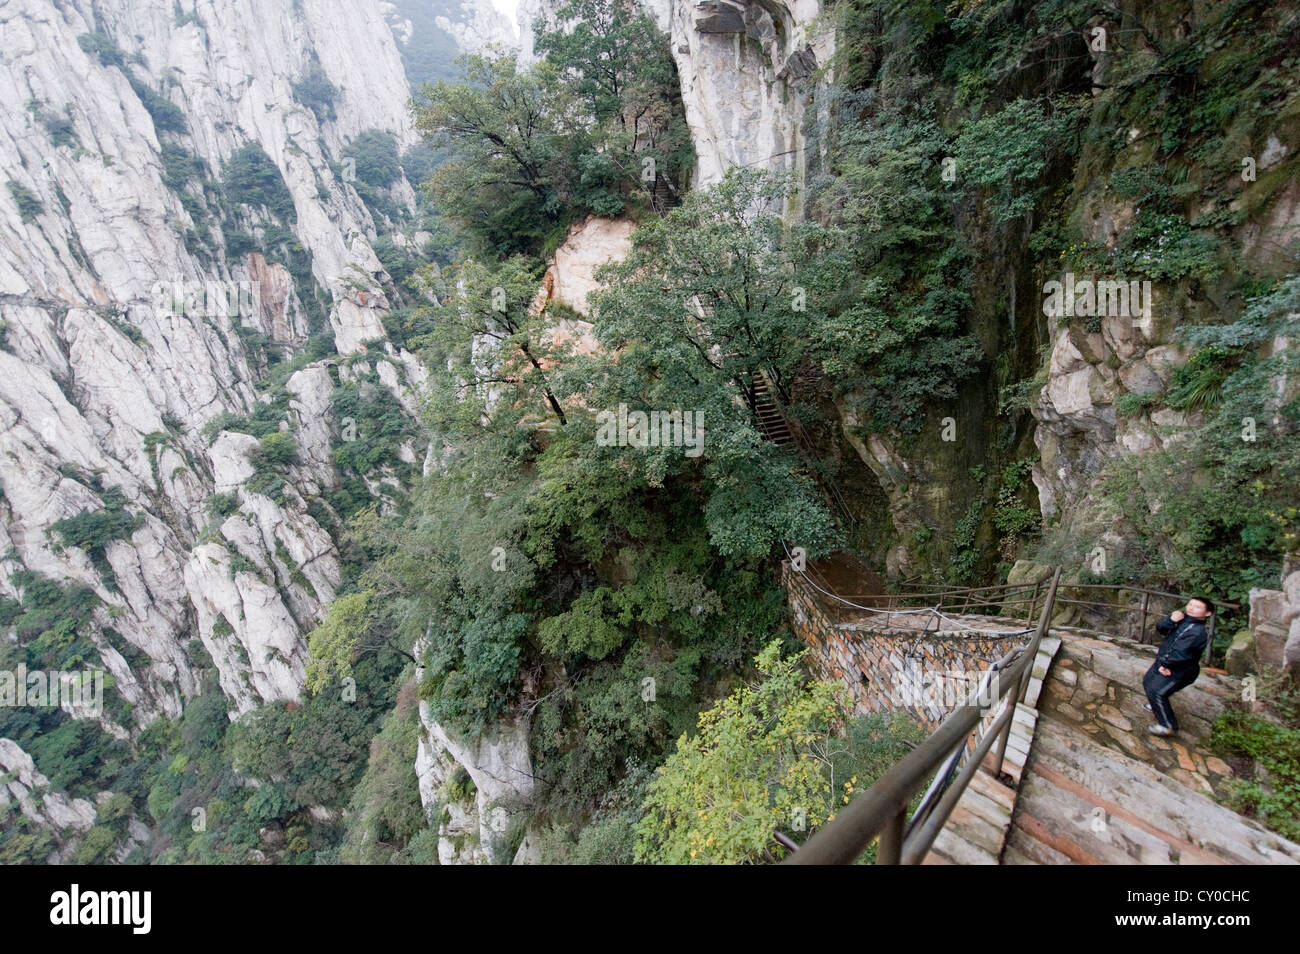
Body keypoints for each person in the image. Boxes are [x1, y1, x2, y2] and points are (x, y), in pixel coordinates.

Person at [1143, 597, 1214, 737]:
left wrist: (1165, 665)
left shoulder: (1196, 631)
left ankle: (1168, 726)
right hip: (1166, 662)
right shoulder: (1183, 619)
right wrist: (1171, 620)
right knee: (1147, 681)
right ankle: (1157, 706)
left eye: (1198, 607)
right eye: (1191, 604)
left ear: (1207, 613)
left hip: (1180, 670)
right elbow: (1161, 629)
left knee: (1157, 691)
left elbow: (1181, 653)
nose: (1192, 608)